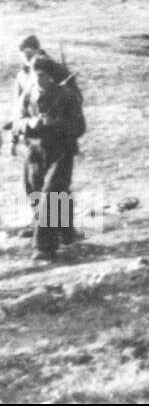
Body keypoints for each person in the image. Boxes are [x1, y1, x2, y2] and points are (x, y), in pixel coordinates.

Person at [7, 55, 85, 260]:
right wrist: (28, 123)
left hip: (61, 152)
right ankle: (66, 232)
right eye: (35, 75)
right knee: (35, 193)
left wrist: (54, 122)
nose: (38, 79)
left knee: (51, 195)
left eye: (42, 75)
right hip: (34, 153)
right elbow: (15, 123)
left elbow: (79, 127)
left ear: (50, 76)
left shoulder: (67, 96)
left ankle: (44, 247)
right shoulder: (27, 96)